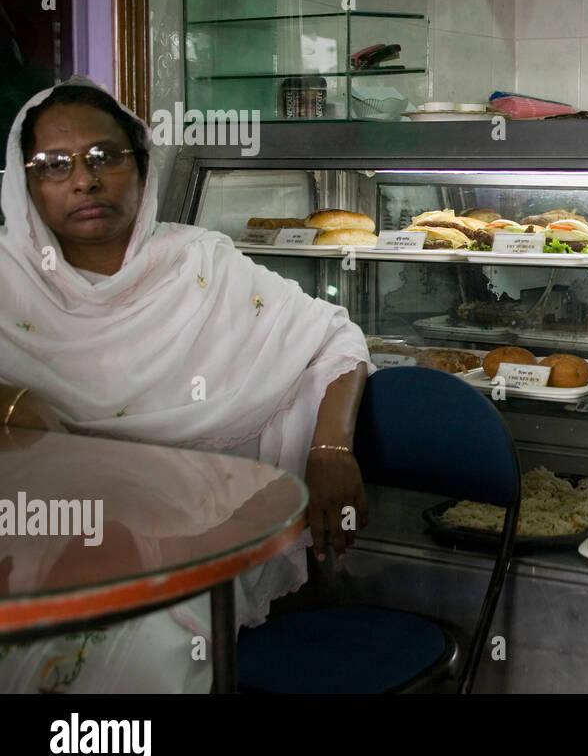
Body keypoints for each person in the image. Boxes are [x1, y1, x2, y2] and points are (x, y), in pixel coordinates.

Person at [0, 77, 374, 692]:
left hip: (197, 530)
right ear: (25, 183)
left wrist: (331, 448)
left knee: (146, 657)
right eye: (54, 166)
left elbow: (332, 336)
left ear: (141, 168)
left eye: (104, 158)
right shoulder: (12, 281)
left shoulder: (199, 265)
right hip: (42, 532)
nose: (84, 181)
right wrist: (18, 404)